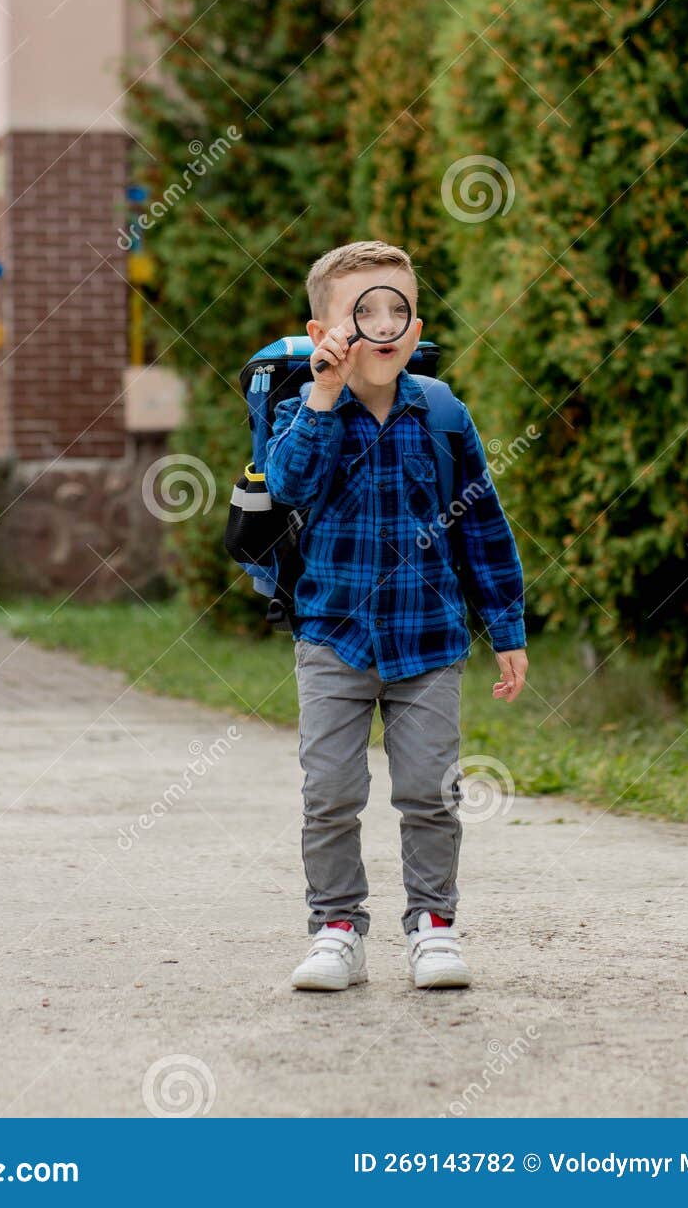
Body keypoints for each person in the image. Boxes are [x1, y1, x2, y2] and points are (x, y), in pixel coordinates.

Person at [264, 240, 528, 993]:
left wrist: (505, 629)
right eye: (362, 312)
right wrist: (322, 395)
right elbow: (287, 484)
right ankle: (337, 928)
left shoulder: (442, 414)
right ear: (323, 333)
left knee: (430, 793)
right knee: (329, 794)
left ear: (414, 329)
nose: (382, 325)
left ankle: (432, 925)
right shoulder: (302, 411)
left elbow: (482, 529)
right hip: (332, 638)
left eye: (397, 310)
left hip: (429, 640)